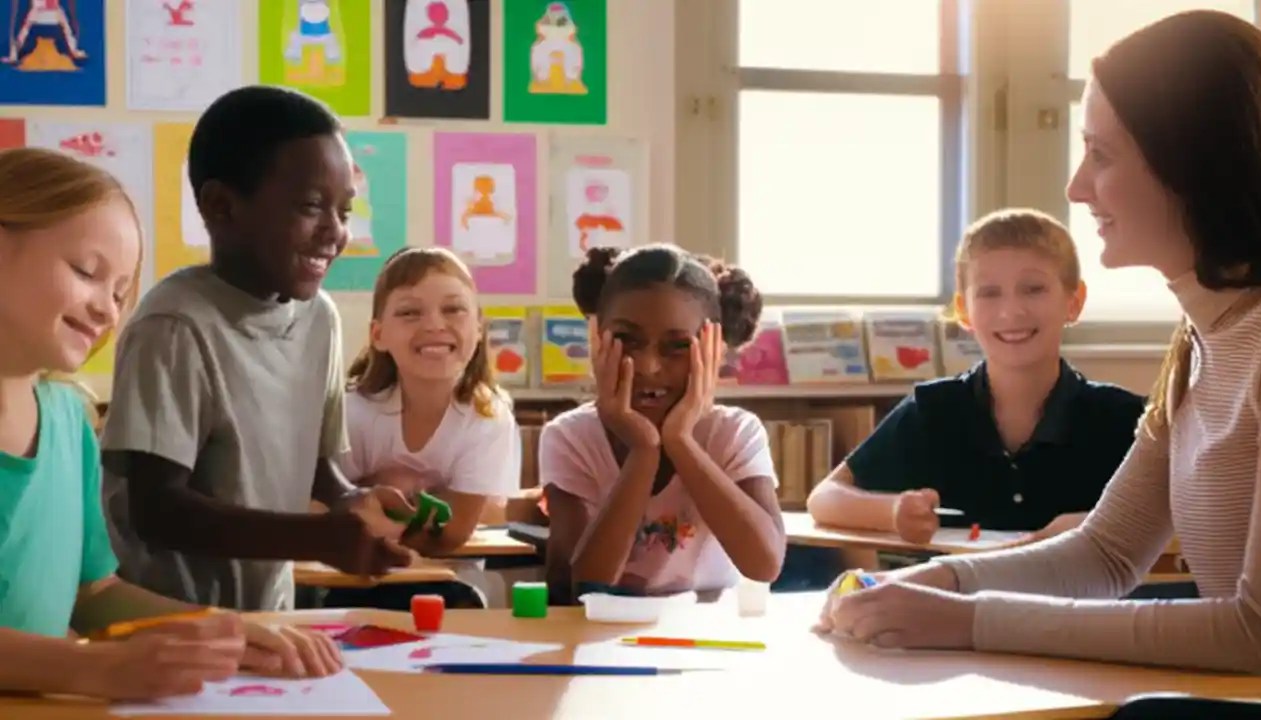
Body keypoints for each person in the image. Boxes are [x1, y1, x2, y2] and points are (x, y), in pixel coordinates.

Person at [818, 10, 1261, 677]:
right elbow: (1107, 553)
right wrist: (932, 586)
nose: (1076, 187)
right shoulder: (1199, 341)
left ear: (1189, 162)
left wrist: (967, 621)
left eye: (1102, 154)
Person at [0, 147, 341, 701]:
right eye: (86, 272)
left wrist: (219, 629)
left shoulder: (68, 422)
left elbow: (94, 592)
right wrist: (96, 670)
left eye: (119, 292)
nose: (108, 311)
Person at [100, 85, 413, 613]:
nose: (335, 233)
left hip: (268, 617)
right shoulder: (174, 325)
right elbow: (158, 510)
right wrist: (318, 540)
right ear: (221, 206)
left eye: (344, 210)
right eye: (312, 206)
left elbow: (313, 466)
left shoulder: (320, 319)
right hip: (167, 623)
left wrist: (352, 501)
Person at [807, 209, 1144, 546]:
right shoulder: (933, 410)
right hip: (953, 595)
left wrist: (1097, 524)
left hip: (1081, 595)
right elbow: (824, 498)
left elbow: (1182, 515)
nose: (1011, 311)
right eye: (989, 293)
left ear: (1074, 302)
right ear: (963, 311)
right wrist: (893, 511)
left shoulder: (1124, 418)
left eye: (1033, 289)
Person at [540, 245, 786, 604]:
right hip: (604, 640)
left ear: (713, 351)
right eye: (626, 340)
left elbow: (764, 564)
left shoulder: (735, 432)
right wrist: (643, 451)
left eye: (677, 346)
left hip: (709, 640)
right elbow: (582, 586)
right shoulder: (570, 436)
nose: (648, 366)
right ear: (597, 339)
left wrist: (681, 441)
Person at [332, 246, 521, 608]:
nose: (434, 324)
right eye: (409, 312)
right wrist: (418, 502)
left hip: (450, 583)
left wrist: (379, 494)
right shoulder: (353, 411)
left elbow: (451, 534)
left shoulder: (488, 417)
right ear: (378, 335)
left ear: (479, 328)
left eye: (453, 309)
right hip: (354, 579)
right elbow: (323, 510)